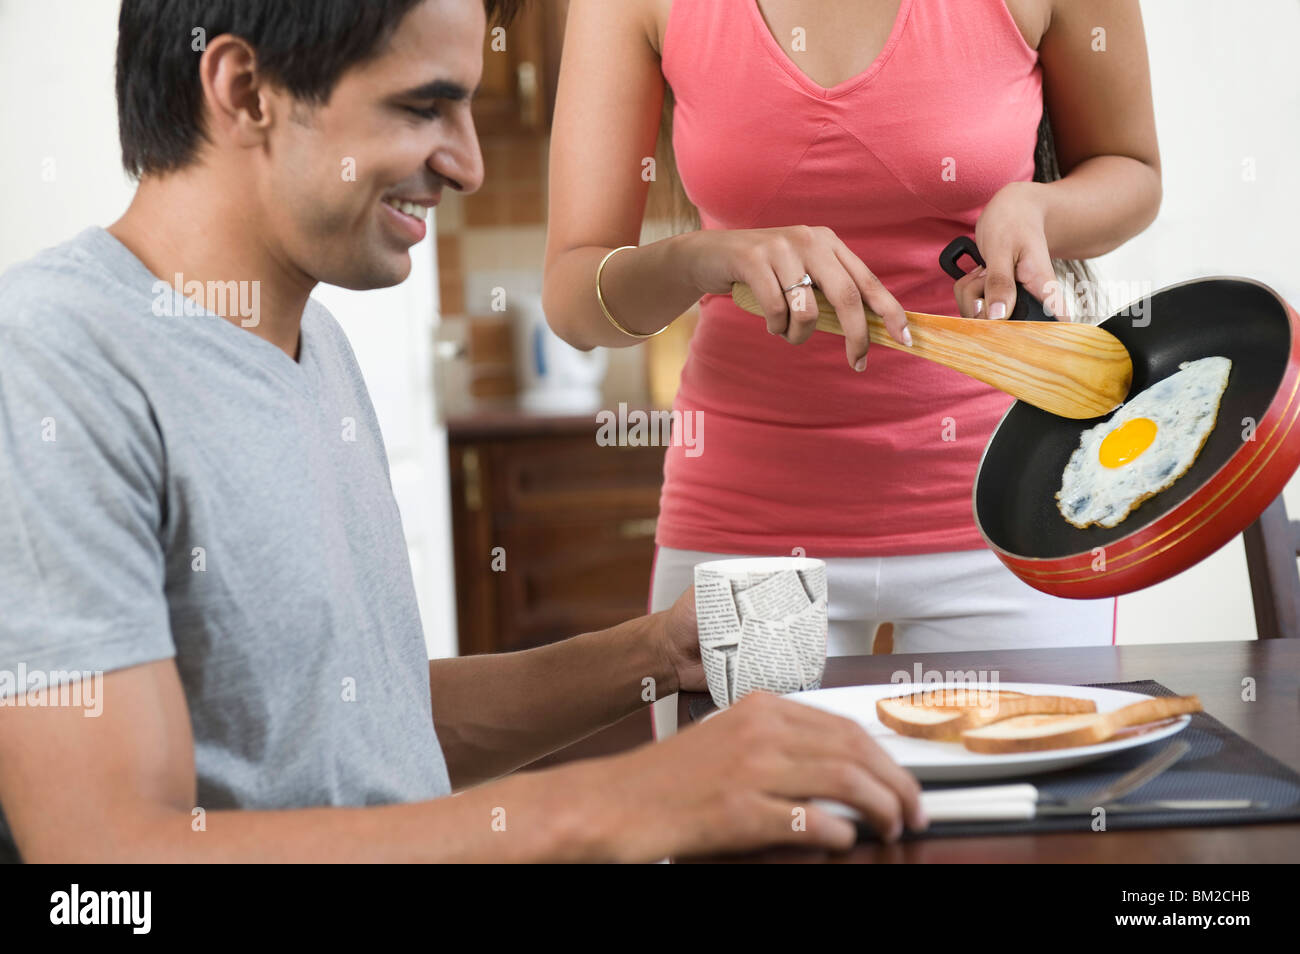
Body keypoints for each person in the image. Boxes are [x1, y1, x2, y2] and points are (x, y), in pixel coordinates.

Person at [0, 0, 926, 863]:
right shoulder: (52, 364)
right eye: (423, 108)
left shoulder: (309, 343)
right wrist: (620, 803)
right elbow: (103, 859)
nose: (468, 164)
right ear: (245, 91)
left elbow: (368, 734)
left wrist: (660, 653)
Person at [541, 0, 1162, 734]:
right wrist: (701, 257)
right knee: (748, 830)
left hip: (1013, 504)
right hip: (749, 524)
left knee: (1026, 830)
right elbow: (574, 293)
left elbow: (1133, 169)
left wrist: (1040, 210)